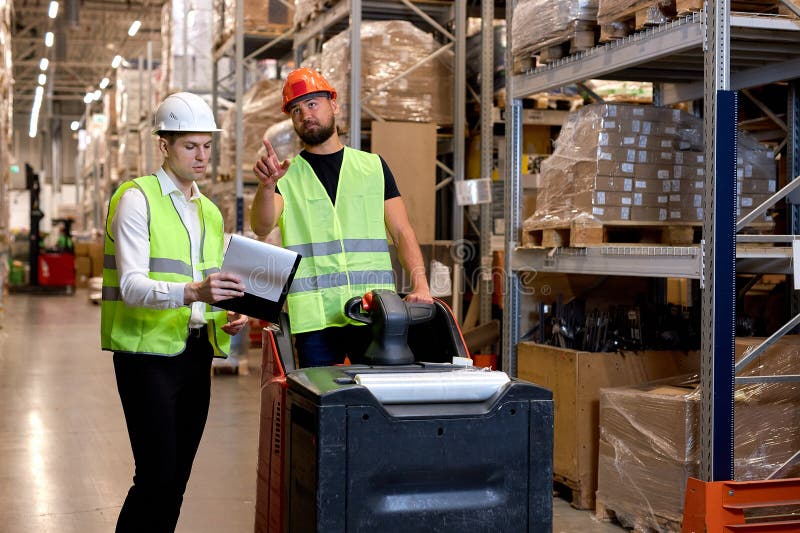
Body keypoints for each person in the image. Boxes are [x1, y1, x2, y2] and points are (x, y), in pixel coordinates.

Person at [101, 91, 249, 532]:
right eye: (190, 146)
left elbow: (210, 283)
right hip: (146, 357)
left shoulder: (210, 211)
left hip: (196, 353)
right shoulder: (136, 199)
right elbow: (131, 286)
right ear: (163, 145)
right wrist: (194, 291)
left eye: (207, 145)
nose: (202, 156)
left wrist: (230, 311)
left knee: (177, 480)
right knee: (155, 476)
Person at [251, 67, 433, 368]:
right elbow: (261, 224)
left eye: (312, 104)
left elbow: (402, 232)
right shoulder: (287, 174)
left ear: (333, 105)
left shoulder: (373, 167)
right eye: (296, 110)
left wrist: (421, 284)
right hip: (316, 320)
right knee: (320, 406)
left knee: (379, 401)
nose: (305, 114)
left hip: (373, 310)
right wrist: (267, 187)